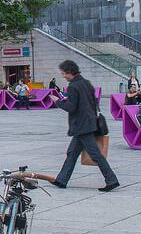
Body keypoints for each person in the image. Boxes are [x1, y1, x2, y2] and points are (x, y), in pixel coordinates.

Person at [46, 60, 119, 192]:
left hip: (81, 126)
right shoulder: (86, 83)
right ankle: (62, 180)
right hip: (89, 123)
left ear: (69, 72)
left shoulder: (73, 87)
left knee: (95, 154)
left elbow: (71, 107)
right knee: (72, 153)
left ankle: (111, 179)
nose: (63, 76)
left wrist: (58, 101)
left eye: (63, 73)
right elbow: (93, 103)